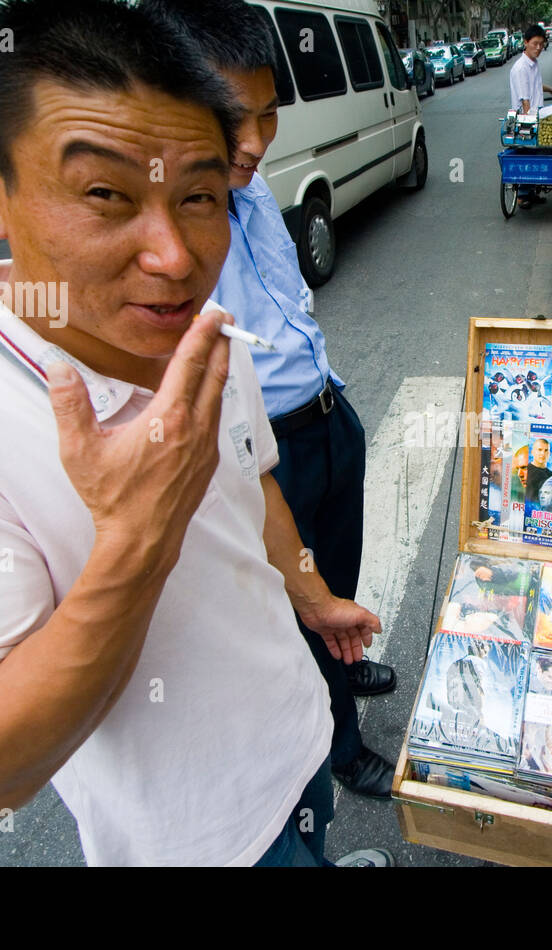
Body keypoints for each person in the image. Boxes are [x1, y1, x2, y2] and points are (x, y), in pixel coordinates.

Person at [0, 0, 389, 867]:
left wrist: (310, 596)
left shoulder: (206, 333)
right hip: (200, 839)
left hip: (296, 743)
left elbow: (254, 479)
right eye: (104, 194)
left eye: (198, 195)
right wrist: (135, 542)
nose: (171, 254)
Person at [143, 0, 399, 801]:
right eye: (230, 120)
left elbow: (289, 317)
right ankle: (340, 750)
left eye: (268, 114)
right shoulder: (167, 238)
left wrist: (336, 406)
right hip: (263, 459)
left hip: (329, 422)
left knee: (332, 587)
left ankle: (344, 661)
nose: (253, 141)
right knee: (289, 608)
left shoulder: (252, 195)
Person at [508, 24, 552, 208]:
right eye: (535, 43)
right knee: (531, 155)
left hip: (536, 116)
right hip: (524, 119)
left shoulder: (533, 64)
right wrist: (530, 123)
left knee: (537, 153)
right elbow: (524, 99)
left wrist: (551, 89)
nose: (538, 48)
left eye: (541, 44)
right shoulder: (521, 67)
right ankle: (522, 194)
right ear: (526, 42)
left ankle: (530, 191)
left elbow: (536, 85)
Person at [524, 437, 552, 504]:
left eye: (546, 450)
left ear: (549, 454)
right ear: (532, 452)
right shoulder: (523, 471)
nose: (542, 453)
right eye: (539, 450)